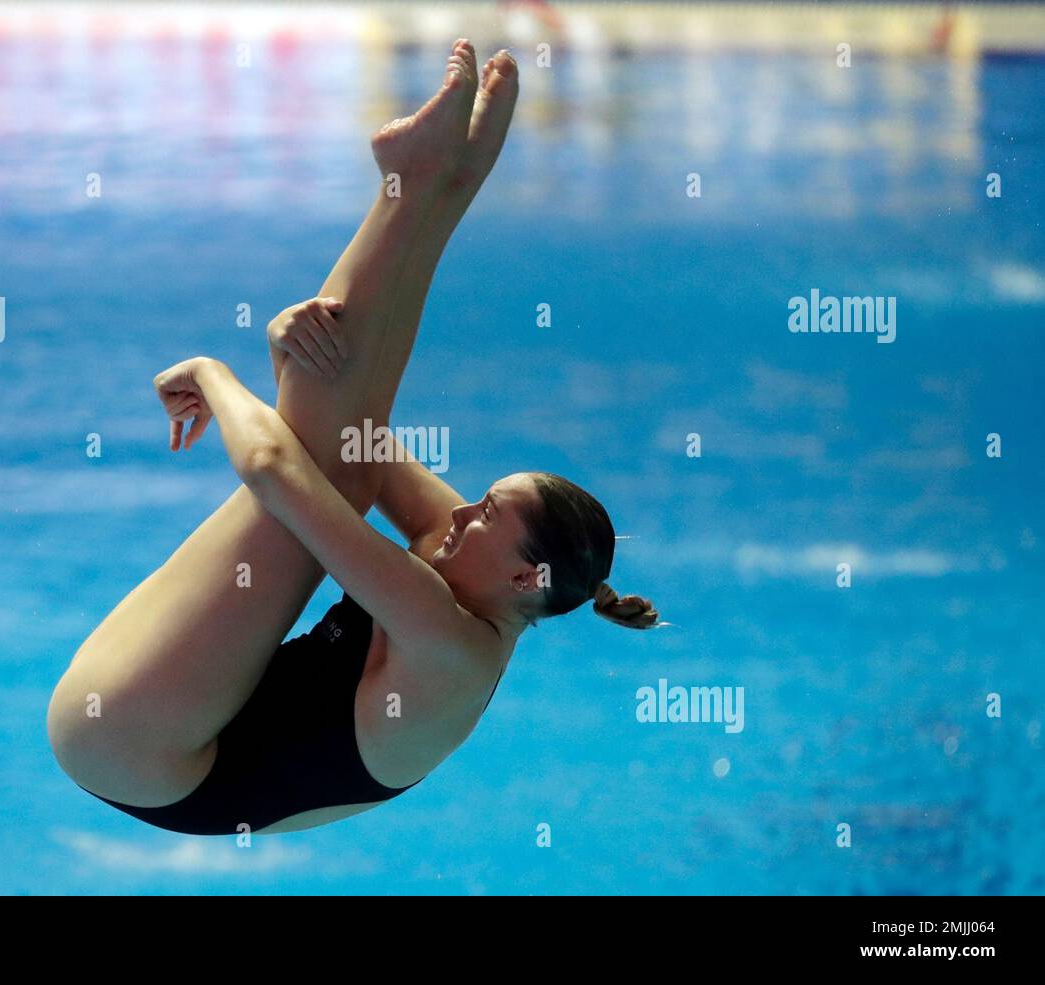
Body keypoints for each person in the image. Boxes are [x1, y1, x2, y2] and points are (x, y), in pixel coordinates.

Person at [47, 40, 657, 837]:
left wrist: (212, 372)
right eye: (481, 500)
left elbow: (273, 467)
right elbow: (357, 433)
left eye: (484, 515)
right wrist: (282, 349)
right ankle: (441, 182)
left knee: (328, 477)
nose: (461, 508)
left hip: (138, 747)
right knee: (348, 461)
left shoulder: (451, 644)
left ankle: (414, 187)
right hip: (191, 715)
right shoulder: (483, 572)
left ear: (521, 575)